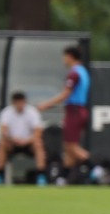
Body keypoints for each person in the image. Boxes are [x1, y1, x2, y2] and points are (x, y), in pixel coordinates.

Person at [36, 45, 92, 181]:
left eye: (65, 56)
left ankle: (96, 168)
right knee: (67, 147)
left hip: (74, 111)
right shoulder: (83, 71)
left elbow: (65, 94)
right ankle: (64, 178)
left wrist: (46, 105)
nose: (63, 60)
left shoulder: (74, 73)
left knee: (72, 147)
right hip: (79, 110)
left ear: (70, 56)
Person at [0, 91, 48, 183]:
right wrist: (12, 139)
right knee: (2, 144)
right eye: (18, 103)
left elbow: (38, 132)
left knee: (38, 144)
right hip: (12, 143)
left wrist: (27, 141)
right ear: (13, 103)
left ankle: (41, 176)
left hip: (28, 143)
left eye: (22, 102)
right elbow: (3, 132)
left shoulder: (32, 112)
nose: (20, 105)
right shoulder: (6, 112)